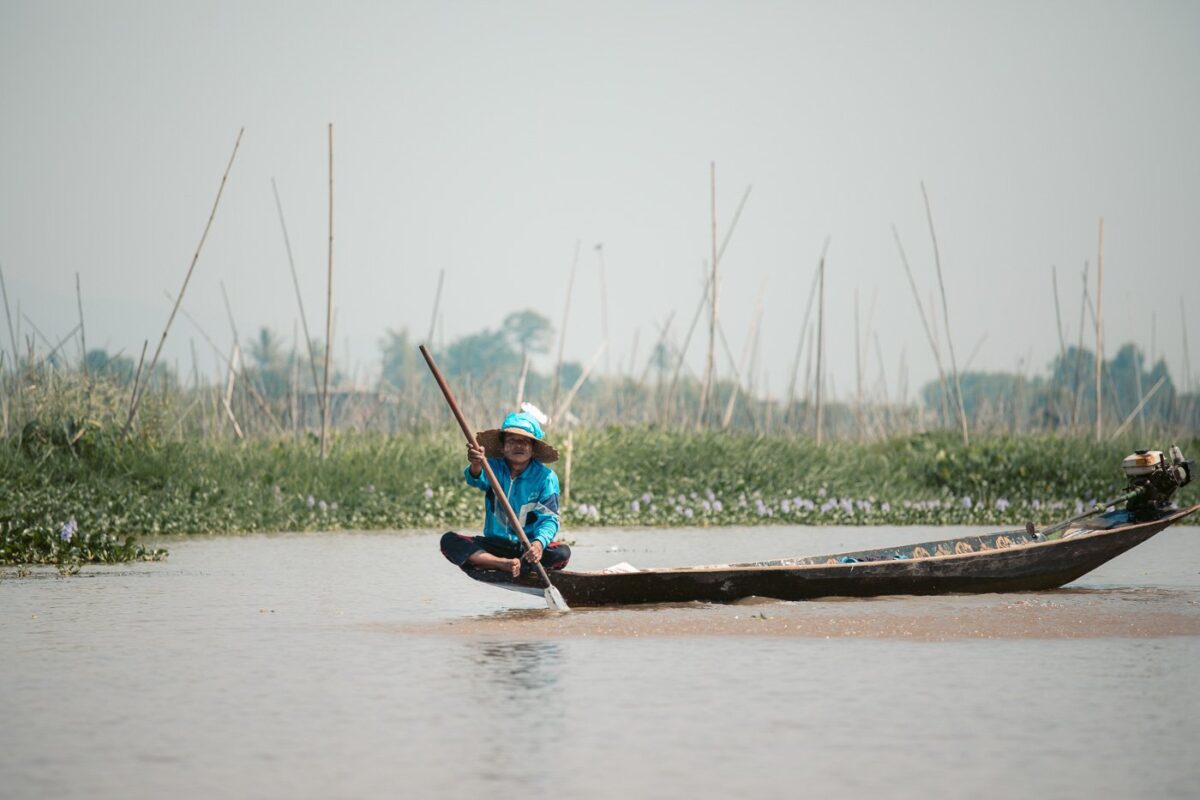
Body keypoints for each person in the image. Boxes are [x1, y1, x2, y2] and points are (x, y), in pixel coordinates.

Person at [439, 411, 571, 578]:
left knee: (562, 553)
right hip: (495, 545)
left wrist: (538, 545)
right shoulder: (492, 467)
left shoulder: (545, 477)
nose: (518, 446)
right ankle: (502, 564)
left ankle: (519, 564)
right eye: (512, 441)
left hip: (526, 546)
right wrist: (476, 464)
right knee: (449, 541)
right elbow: (475, 479)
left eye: (524, 441)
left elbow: (550, 519)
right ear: (502, 446)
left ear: (533, 448)